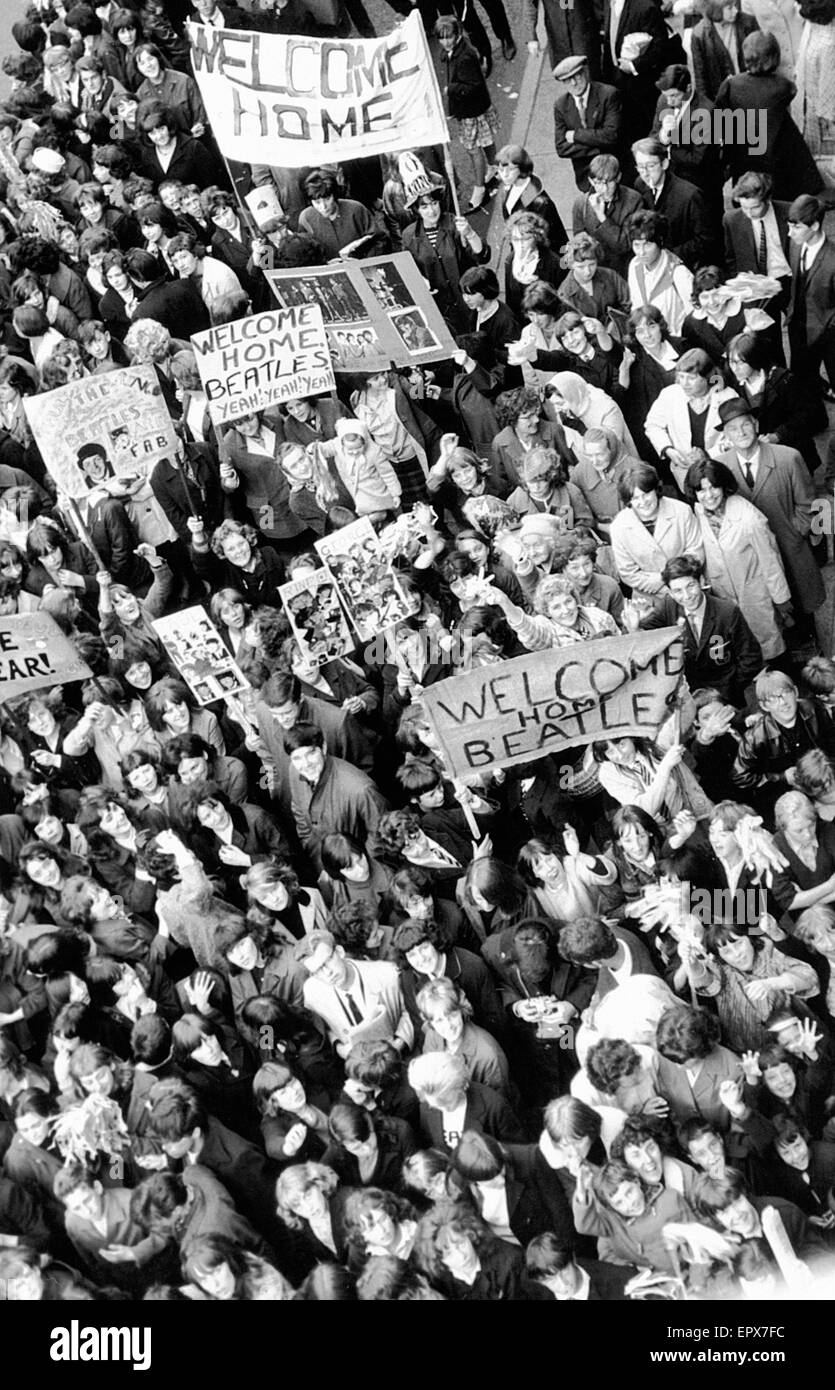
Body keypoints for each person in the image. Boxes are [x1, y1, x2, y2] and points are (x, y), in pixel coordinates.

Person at [553, 56, 624, 194]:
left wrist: (575, 135)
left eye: (577, 76)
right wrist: (598, 145)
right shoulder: (560, 105)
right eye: (567, 80)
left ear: (585, 73)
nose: (573, 83)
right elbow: (561, 148)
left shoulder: (608, 94)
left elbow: (610, 136)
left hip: (614, 172)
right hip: (586, 176)